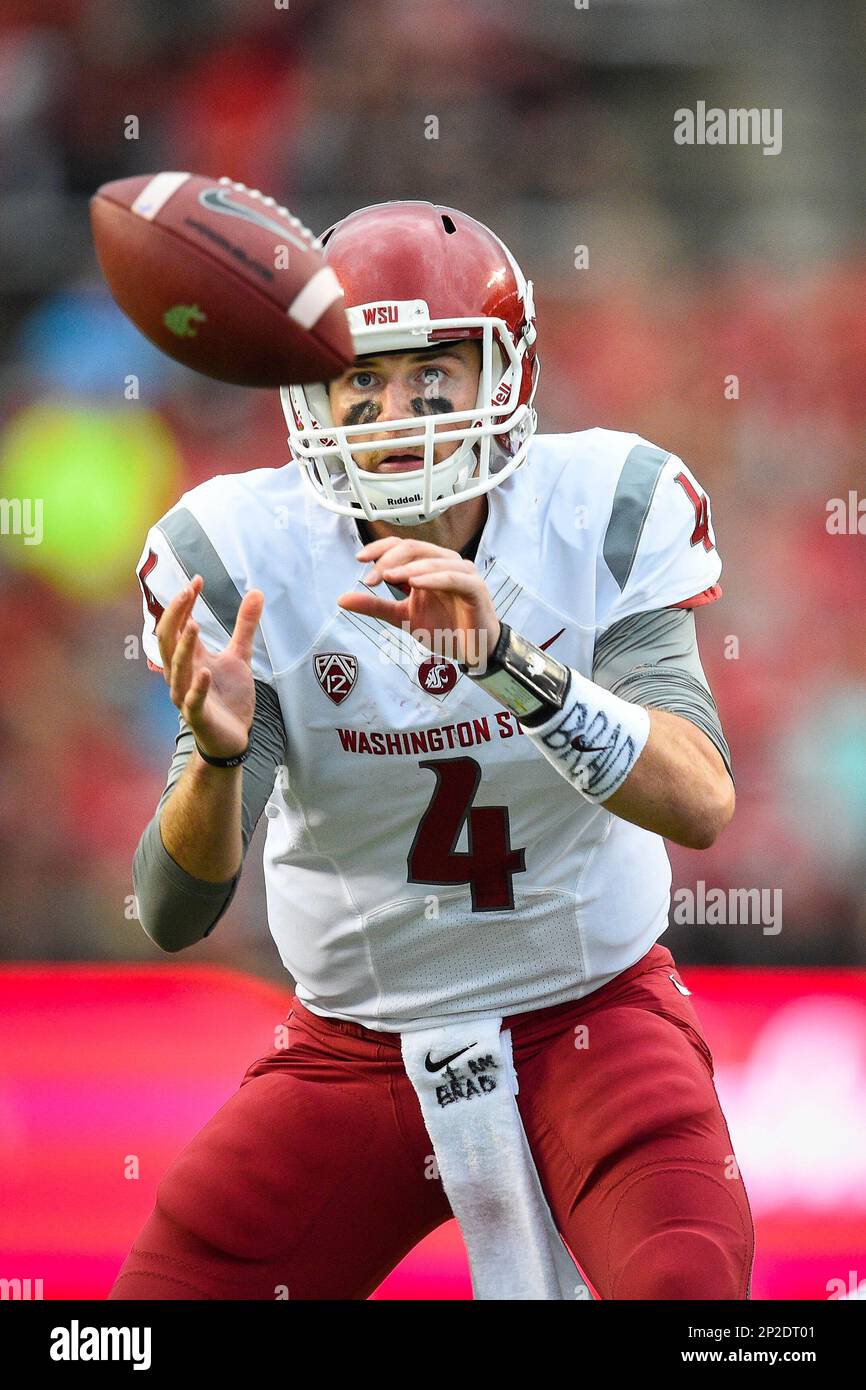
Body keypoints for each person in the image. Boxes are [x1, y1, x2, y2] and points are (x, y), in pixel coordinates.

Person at [110, 201, 754, 1300]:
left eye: (429, 376)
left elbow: (698, 800)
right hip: (352, 1049)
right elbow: (173, 911)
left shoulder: (600, 505)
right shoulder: (247, 553)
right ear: (311, 394)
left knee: (683, 1294)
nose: (392, 410)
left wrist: (509, 663)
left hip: (590, 1013)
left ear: (503, 376)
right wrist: (217, 762)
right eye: (360, 378)